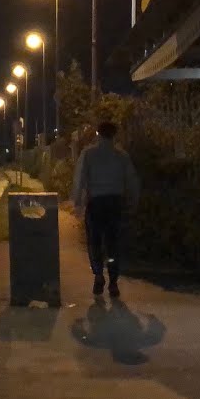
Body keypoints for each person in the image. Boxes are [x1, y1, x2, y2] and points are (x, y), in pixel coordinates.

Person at [71, 121, 139, 297]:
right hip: (115, 203)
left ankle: (99, 274)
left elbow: (80, 179)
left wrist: (77, 202)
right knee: (112, 243)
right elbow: (132, 180)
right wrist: (133, 200)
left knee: (94, 241)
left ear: (97, 133)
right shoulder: (121, 155)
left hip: (96, 203)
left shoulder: (88, 153)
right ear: (114, 135)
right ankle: (113, 281)